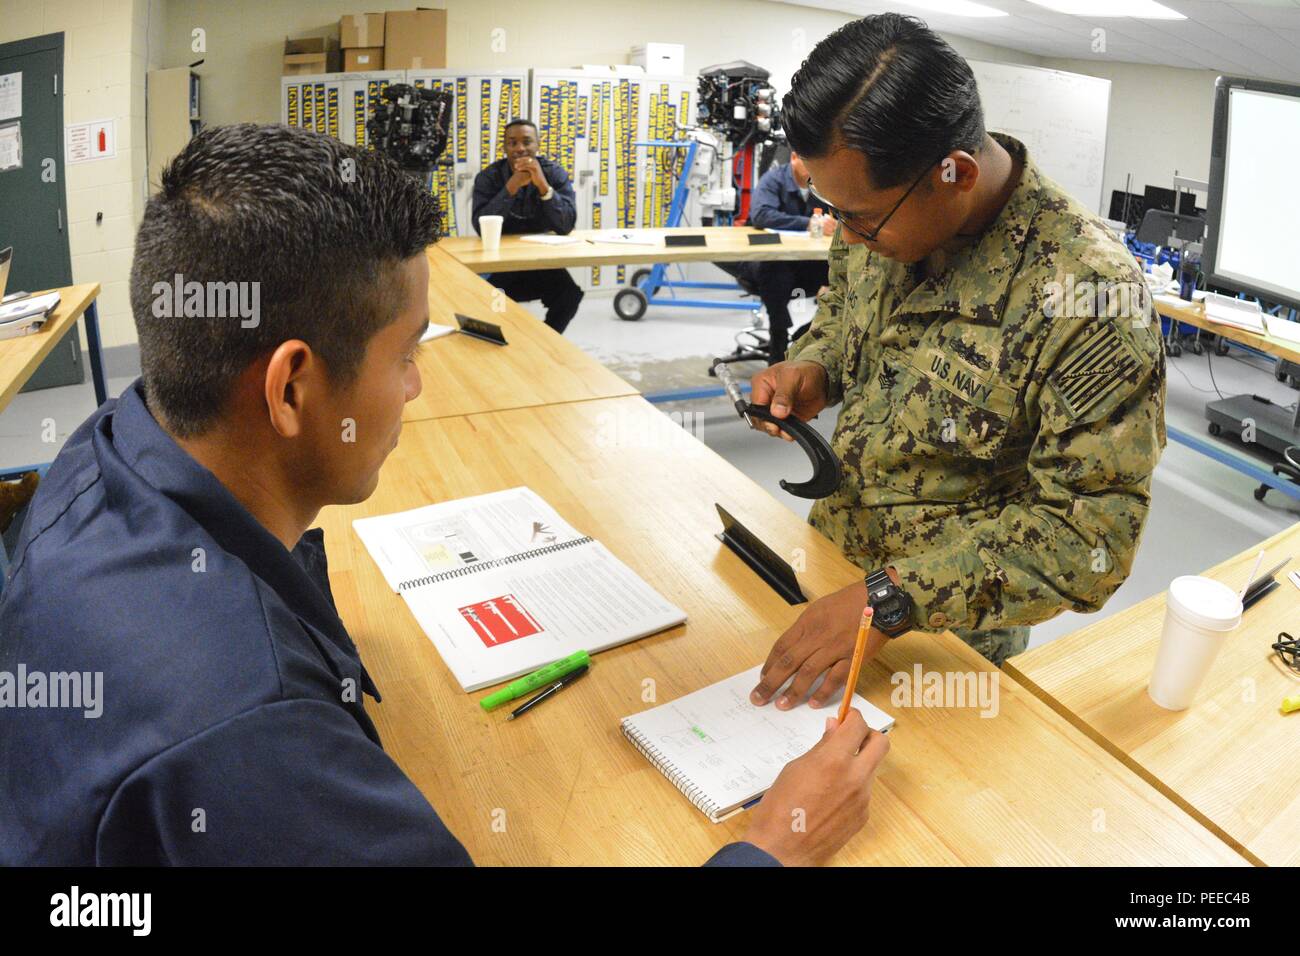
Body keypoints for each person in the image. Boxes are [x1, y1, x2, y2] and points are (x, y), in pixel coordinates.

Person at [0, 123, 888, 867]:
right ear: (291, 390)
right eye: (407, 354)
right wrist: (773, 844)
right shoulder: (247, 731)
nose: (419, 388)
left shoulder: (105, 446)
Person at [747, 13, 1166, 711]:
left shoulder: (1089, 297)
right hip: (828, 569)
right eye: (834, 212)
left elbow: (1091, 538)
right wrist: (814, 369)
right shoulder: (878, 211)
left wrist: (888, 601)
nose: (845, 234)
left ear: (956, 174)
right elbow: (840, 318)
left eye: (861, 219)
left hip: (946, 647)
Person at [471, 118, 583, 333]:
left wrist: (543, 186)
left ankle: (545, 340)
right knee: (488, 301)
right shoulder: (489, 177)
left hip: (540, 263)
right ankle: (506, 345)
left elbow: (566, 225)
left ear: (537, 145)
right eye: (512, 143)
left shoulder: (554, 173)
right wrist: (511, 187)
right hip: (501, 265)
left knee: (569, 295)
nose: (520, 148)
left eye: (527, 142)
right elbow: (480, 226)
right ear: (505, 147)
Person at [747, 152, 833, 363]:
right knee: (775, 270)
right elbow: (761, 215)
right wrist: (808, 223)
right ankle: (779, 334)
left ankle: (807, 331)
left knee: (843, 271)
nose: (815, 166)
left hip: (809, 262)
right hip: (774, 262)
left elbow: (839, 213)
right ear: (794, 157)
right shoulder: (774, 180)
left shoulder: (823, 184)